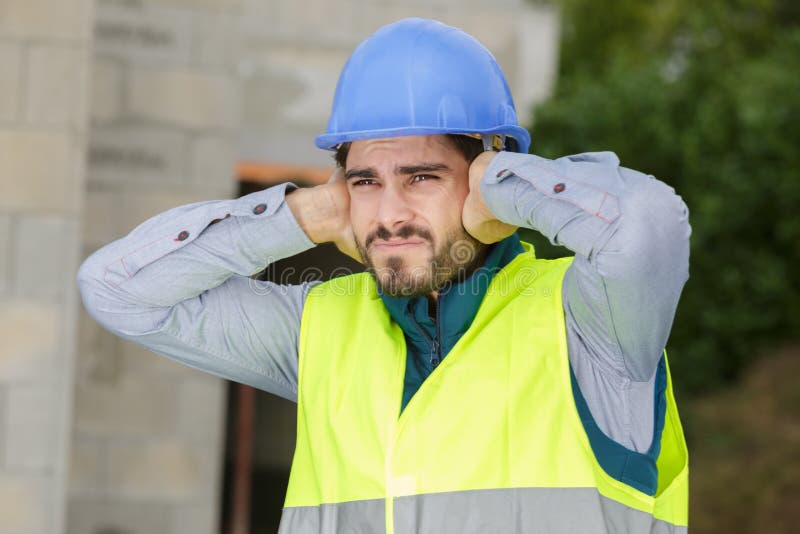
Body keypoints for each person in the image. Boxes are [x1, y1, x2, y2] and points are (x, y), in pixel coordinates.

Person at [78, 18, 691, 534]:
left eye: (422, 177)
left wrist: (502, 186)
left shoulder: (589, 326)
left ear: (485, 167)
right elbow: (118, 289)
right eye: (366, 181)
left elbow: (645, 225)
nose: (390, 213)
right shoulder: (315, 328)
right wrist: (302, 213)